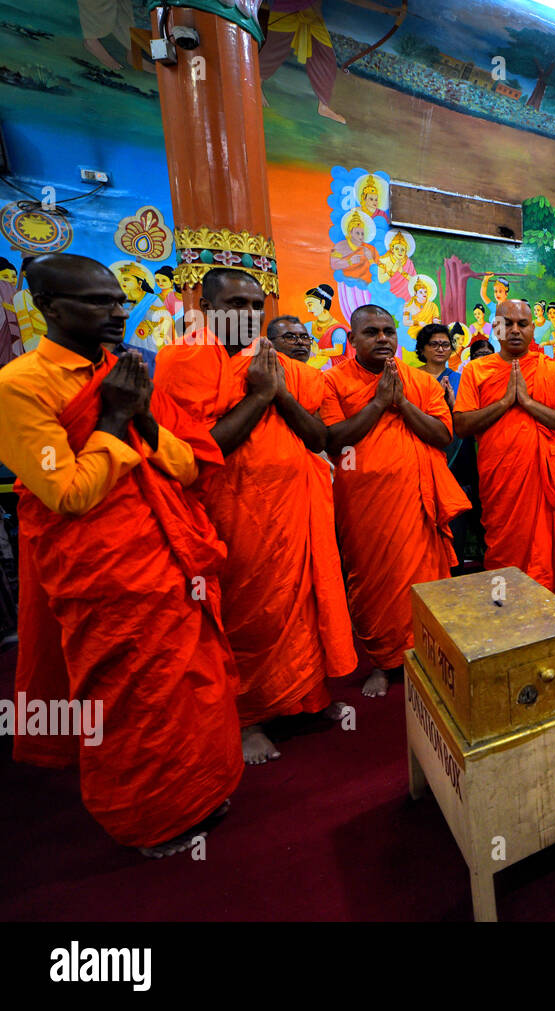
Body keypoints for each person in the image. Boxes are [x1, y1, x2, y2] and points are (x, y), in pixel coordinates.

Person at [0, 253, 241, 856]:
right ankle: (147, 818)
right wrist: (112, 417)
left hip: (169, 550)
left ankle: (201, 786)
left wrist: (143, 423)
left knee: (188, 678)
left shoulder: (130, 371)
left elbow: (188, 465)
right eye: (96, 302)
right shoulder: (20, 386)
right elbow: (68, 493)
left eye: (117, 299)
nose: (116, 311)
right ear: (48, 308)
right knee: (130, 692)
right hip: (102, 568)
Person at [155, 268, 357, 764]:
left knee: (303, 603)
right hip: (232, 509)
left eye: (253, 305)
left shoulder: (273, 363)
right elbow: (196, 451)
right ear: (205, 305)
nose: (245, 315)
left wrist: (276, 390)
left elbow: (321, 438)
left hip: (295, 504)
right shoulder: (181, 362)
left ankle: (303, 699)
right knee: (249, 611)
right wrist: (260, 395)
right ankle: (248, 716)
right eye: (234, 304)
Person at [322, 306, 470, 698]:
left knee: (426, 582)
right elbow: (334, 440)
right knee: (371, 581)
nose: (383, 338)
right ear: (351, 341)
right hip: (364, 503)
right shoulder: (334, 382)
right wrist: (377, 404)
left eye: (388, 330)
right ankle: (383, 662)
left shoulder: (420, 382)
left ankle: (431, 652)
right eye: (371, 332)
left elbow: (443, 434)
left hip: (418, 503)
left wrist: (402, 403)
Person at [454, 299, 555, 592]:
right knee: (502, 551)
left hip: (540, 480)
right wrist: (503, 403)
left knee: (540, 564)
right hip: (499, 480)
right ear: (495, 327)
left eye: (522, 324)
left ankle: (543, 619)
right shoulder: (476, 371)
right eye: (506, 323)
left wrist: (526, 402)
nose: (514, 330)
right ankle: (503, 614)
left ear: (532, 328)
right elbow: (461, 425)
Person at [304, 283, 348, 368]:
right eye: (307, 306)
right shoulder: (308, 326)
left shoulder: (338, 329)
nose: (309, 310)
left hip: (331, 367)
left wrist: (319, 352)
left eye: (310, 304)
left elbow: (338, 351)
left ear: (323, 302)